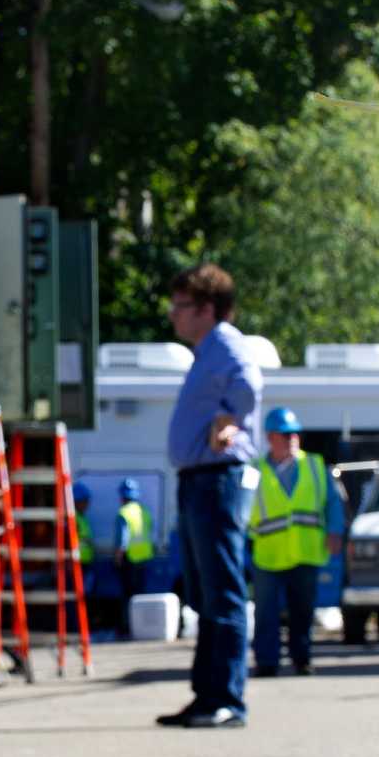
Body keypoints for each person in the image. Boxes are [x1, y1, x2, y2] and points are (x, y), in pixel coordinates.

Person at [154, 262, 261, 730]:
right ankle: (207, 696)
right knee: (206, 593)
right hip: (202, 479)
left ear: (208, 309)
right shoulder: (207, 350)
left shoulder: (226, 345)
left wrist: (229, 419)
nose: (174, 315)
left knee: (222, 592)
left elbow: (247, 387)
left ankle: (227, 700)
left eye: (181, 306)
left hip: (218, 477)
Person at [248, 407, 345, 679]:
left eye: (295, 433)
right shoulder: (254, 470)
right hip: (268, 554)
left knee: (302, 611)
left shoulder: (314, 465)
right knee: (266, 613)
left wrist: (335, 531)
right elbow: (242, 509)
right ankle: (267, 662)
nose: (292, 438)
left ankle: (302, 659)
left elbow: (333, 502)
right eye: (286, 434)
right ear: (271, 437)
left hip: (306, 552)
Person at [114, 477, 154, 638]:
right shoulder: (143, 511)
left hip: (129, 560)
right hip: (144, 559)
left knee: (127, 597)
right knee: (140, 596)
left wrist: (117, 558)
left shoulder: (123, 513)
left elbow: (122, 540)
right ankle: (140, 627)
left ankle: (126, 627)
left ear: (122, 496)